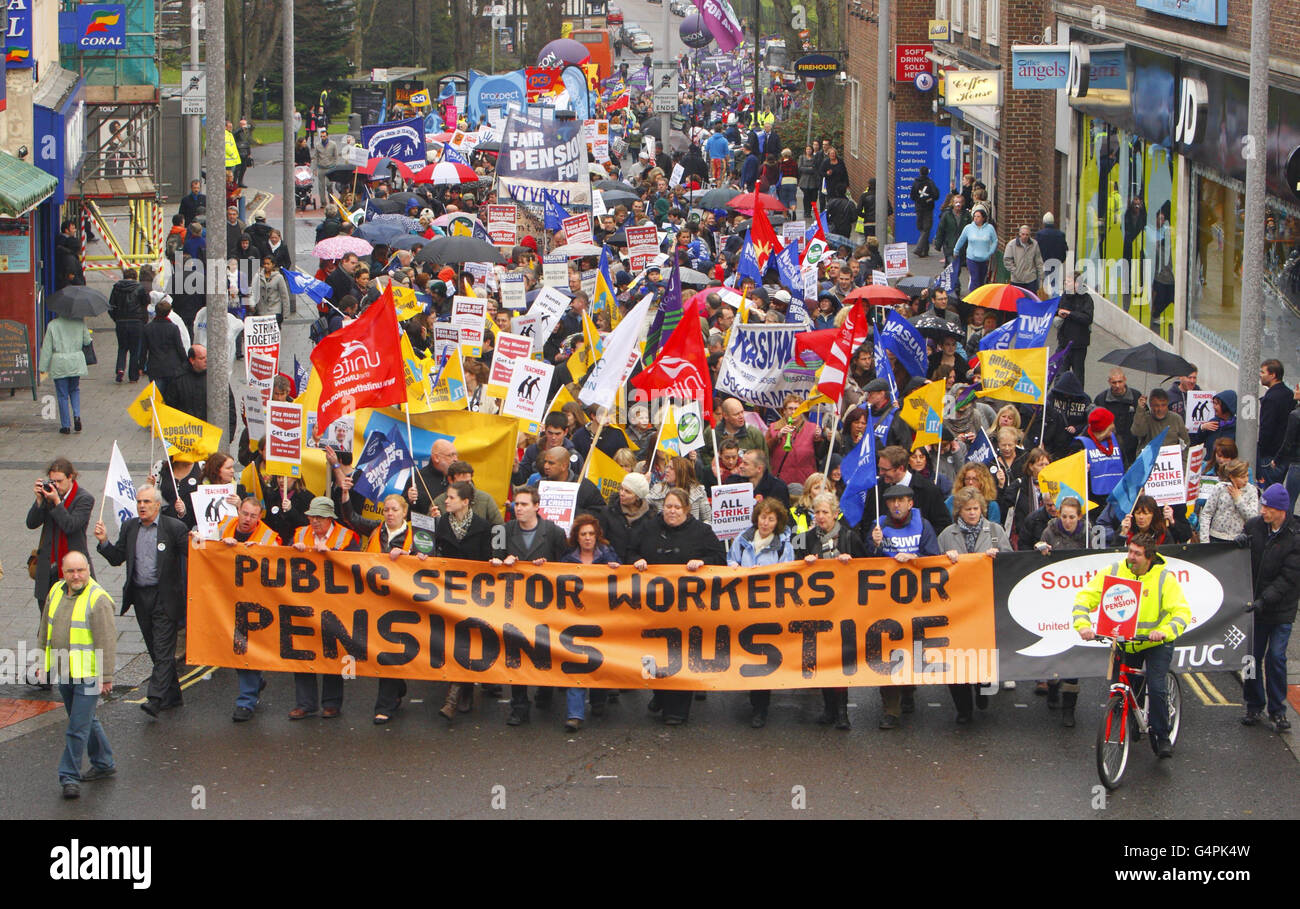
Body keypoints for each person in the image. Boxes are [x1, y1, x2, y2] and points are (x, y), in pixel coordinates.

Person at [1073, 534, 1192, 758]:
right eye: (1129, 551)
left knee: (1156, 686)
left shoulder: (1164, 578)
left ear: (1149, 557)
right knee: (1125, 687)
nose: (1130, 557)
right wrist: (1083, 625)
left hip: (1156, 642)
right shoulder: (1116, 571)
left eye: (1137, 553)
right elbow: (1085, 597)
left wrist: (1164, 632)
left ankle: (1162, 734)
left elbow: (1182, 612)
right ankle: (1132, 725)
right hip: (1128, 643)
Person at [630, 487, 727, 726]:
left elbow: (720, 560)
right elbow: (629, 550)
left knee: (681, 655)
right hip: (653, 609)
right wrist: (636, 560)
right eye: (668, 507)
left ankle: (678, 710)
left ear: (686, 510)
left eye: (676, 508)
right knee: (653, 653)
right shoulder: (649, 527)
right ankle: (659, 694)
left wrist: (703, 562)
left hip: (688, 609)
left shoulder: (702, 532)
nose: (671, 512)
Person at [93, 485, 189, 717]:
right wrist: (104, 542)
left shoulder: (174, 528)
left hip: (165, 597)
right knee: (155, 651)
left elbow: (194, 555)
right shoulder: (130, 527)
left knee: (164, 650)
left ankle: (154, 698)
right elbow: (117, 559)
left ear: (157, 505)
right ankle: (173, 695)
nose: (142, 506)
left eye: (147, 502)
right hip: (140, 597)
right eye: (139, 502)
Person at [35, 551, 116, 799]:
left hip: (89, 675)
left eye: (80, 570)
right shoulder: (56, 592)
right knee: (85, 721)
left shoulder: (98, 599)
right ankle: (104, 762)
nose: (76, 575)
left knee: (76, 727)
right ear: (63, 572)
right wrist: (41, 663)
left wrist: (106, 676)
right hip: (65, 671)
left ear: (88, 570)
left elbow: (107, 641)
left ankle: (69, 776)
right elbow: (44, 630)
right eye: (71, 571)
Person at [492, 486, 568, 726]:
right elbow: (493, 557)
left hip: (544, 604)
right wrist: (502, 562)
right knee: (515, 653)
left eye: (524, 504)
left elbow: (565, 565)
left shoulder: (554, 533)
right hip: (513, 603)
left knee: (543, 649)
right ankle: (519, 705)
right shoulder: (501, 530)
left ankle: (545, 689)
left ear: (537, 506)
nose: (518, 508)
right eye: (516, 504)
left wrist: (547, 567)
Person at [867, 484, 940, 728]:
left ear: (911, 504)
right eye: (892, 501)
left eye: (902, 500)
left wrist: (915, 560)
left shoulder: (924, 526)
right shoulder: (879, 527)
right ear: (886, 505)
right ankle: (891, 709)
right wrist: (875, 545)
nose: (897, 505)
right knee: (887, 650)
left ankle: (908, 690)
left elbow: (934, 559)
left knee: (910, 648)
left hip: (915, 600)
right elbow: (864, 564)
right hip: (885, 601)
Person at [791, 492, 865, 729]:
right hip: (816, 610)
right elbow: (791, 568)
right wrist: (804, 563)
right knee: (822, 658)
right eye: (817, 512)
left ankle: (842, 712)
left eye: (825, 512)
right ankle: (829, 709)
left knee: (840, 659)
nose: (820, 517)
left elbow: (868, 567)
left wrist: (851, 561)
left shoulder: (850, 536)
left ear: (836, 514)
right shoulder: (802, 538)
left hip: (843, 608)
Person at [938, 488, 1011, 724]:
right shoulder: (947, 535)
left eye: (976, 509)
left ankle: (982, 688)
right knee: (956, 656)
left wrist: (997, 556)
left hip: (985, 603)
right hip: (956, 607)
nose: (972, 513)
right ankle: (963, 709)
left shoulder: (995, 531)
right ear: (959, 510)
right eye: (967, 509)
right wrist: (944, 559)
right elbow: (934, 566)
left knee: (982, 653)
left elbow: (1011, 559)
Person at [205, 497, 282, 721]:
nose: (248, 519)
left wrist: (260, 553)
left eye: (253, 516)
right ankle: (255, 683)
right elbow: (205, 547)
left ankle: (246, 701)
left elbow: (279, 562)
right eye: (245, 513)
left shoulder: (268, 536)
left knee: (244, 647)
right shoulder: (223, 527)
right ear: (238, 510)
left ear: (259, 518)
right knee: (234, 646)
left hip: (254, 601)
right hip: (226, 597)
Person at [288, 497, 361, 718]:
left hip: (334, 604)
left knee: (333, 650)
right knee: (301, 649)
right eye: (311, 516)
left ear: (330, 518)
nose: (314, 521)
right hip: (305, 603)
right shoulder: (300, 533)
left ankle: (331, 703)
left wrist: (331, 554)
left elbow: (355, 567)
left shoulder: (348, 537)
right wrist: (294, 550)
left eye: (319, 517)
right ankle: (305, 703)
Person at [432, 481, 497, 721]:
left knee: (467, 640)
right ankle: (462, 690)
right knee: (453, 642)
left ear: (465, 501)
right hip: (446, 592)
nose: (446, 501)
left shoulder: (483, 527)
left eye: (450, 497)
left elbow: (489, 559)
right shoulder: (439, 525)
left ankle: (457, 695)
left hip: (474, 593)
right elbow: (431, 552)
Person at [1239, 484, 1300, 732]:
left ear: (1280, 511)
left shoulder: (1295, 537)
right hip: (1257, 606)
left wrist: (1264, 599)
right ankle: (1254, 704)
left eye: (1267, 507)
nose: (1262, 510)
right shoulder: (1254, 526)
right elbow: (1240, 558)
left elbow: (1289, 578)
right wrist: (1239, 544)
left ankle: (1277, 710)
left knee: (1276, 657)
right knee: (1251, 657)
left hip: (1280, 609)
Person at [26, 459, 96, 661]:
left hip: (73, 569)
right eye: (52, 480)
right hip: (47, 567)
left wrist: (57, 502)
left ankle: (74, 667)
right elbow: (31, 523)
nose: (55, 485)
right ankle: (44, 672)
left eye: (59, 481)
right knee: (45, 622)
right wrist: (40, 501)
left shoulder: (84, 499)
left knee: (74, 623)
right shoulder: (48, 496)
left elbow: (71, 525)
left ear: (71, 477)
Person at [560, 514, 621, 731]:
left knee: (599, 660)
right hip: (574, 619)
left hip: (602, 618)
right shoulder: (567, 559)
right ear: (576, 536)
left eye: (591, 534)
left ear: (597, 536)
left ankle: (598, 700)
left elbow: (623, 582)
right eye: (583, 534)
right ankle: (574, 714)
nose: (587, 538)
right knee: (575, 662)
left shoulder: (608, 555)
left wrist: (617, 570)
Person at [38, 310, 92, 434]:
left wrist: (43, 367)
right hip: (75, 361)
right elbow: (87, 341)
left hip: (59, 363)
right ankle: (77, 415)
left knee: (62, 394)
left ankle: (66, 425)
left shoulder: (52, 325)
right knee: (74, 389)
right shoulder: (79, 322)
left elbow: (47, 348)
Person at [1199, 459, 1258, 543]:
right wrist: (1204, 540)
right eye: (1242, 477)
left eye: (1247, 476)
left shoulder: (1251, 491)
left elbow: (1253, 518)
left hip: (1239, 540)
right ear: (1232, 477)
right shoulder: (1220, 488)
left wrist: (1238, 499)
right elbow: (1207, 513)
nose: (1246, 480)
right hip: (1216, 538)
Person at [109, 267, 149, 383]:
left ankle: (120, 369)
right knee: (135, 350)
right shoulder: (140, 288)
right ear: (135, 277)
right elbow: (146, 302)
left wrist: (116, 318)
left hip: (121, 322)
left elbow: (111, 306)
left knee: (122, 348)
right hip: (136, 322)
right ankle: (133, 376)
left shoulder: (116, 288)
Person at [1258, 359, 1295, 483]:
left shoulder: (1271, 398)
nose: (1260, 375)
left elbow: (1266, 428)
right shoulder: (1289, 394)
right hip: (1285, 453)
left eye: (1263, 372)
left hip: (1270, 455)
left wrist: (1261, 452)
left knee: (1269, 492)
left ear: (1273, 375)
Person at [142, 299, 188, 398]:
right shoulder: (173, 328)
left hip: (155, 367)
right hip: (172, 367)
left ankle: (157, 413)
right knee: (171, 396)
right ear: (168, 313)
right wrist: (185, 362)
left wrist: (141, 366)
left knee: (157, 397)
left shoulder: (147, 328)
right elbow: (179, 347)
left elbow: (143, 350)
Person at [1056, 271, 1094, 383]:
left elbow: (1088, 318)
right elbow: (1056, 309)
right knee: (1059, 375)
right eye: (1065, 282)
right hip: (1063, 343)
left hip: (1079, 345)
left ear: (1077, 284)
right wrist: (1058, 312)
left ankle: (1079, 400)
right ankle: (1057, 398)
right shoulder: (1064, 296)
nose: (1065, 284)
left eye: (1068, 282)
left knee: (1078, 377)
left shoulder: (1086, 299)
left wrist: (1070, 314)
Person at [1131, 387, 1191, 453]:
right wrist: (1140, 410)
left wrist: (1183, 462)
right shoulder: (1145, 418)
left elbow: (1185, 443)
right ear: (1150, 405)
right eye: (1156, 405)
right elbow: (1138, 432)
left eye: (1163, 405)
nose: (1160, 409)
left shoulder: (1176, 419)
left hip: (1171, 460)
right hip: (1148, 460)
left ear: (1168, 403)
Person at [953, 204, 997, 292]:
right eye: (975, 216)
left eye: (978, 216)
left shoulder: (990, 228)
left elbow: (995, 241)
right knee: (975, 279)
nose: (976, 218)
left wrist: (990, 252)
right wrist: (956, 250)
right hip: (972, 258)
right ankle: (972, 299)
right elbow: (961, 240)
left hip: (984, 259)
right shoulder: (968, 228)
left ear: (983, 218)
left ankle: (980, 298)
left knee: (981, 280)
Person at [1003, 225, 1044, 294]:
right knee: (1017, 301)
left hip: (1031, 279)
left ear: (1029, 235)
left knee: (1031, 301)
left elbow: (1038, 261)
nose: (1025, 236)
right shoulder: (1011, 245)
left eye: (1027, 235)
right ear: (1019, 234)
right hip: (1016, 280)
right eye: (1023, 234)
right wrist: (1015, 271)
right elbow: (1007, 260)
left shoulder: (1034, 244)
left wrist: (1041, 276)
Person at [910, 166, 940, 257]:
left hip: (919, 208)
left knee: (922, 228)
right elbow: (936, 195)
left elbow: (912, 196)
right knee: (925, 229)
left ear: (920, 172)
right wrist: (928, 199)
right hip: (928, 208)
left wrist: (919, 200)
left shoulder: (915, 183)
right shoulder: (930, 183)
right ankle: (921, 249)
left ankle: (922, 250)